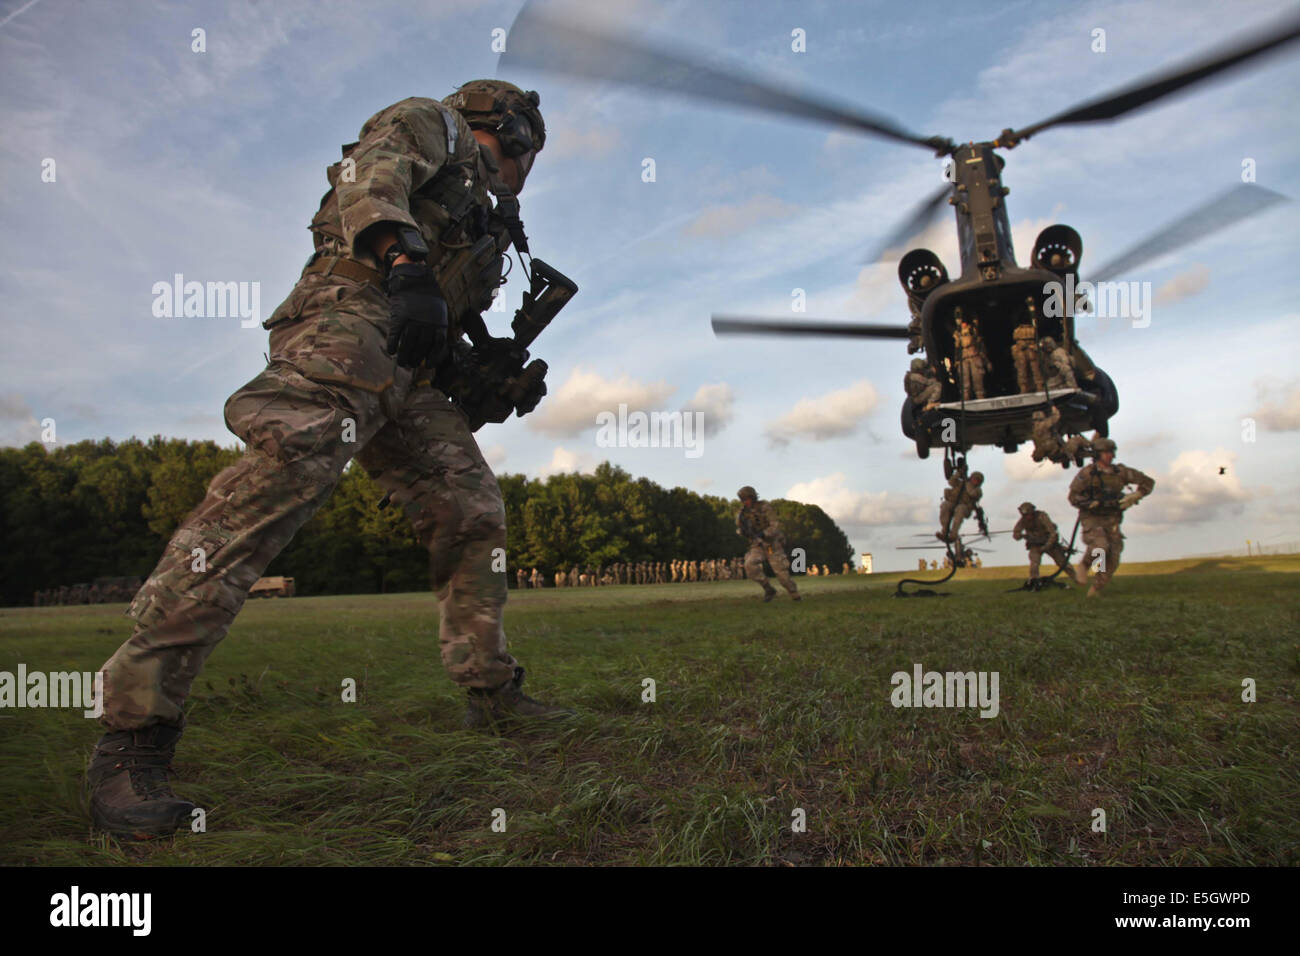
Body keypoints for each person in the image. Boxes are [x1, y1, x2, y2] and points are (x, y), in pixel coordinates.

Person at [88, 80, 569, 841]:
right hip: (349, 325)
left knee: (469, 509)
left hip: (407, 370)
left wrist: (489, 375)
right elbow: (368, 179)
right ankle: (132, 736)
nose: (530, 165)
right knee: (275, 484)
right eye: (528, 147)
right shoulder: (431, 124)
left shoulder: (490, 224)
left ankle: (491, 692)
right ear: (508, 131)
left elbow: (436, 337)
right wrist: (407, 266)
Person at [1067, 438, 1155, 597]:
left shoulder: (1120, 472)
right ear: (1097, 454)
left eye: (1111, 452)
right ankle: (1085, 565)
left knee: (1113, 558)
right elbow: (1073, 497)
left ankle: (1096, 588)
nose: (1110, 456)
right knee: (1100, 546)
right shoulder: (1087, 473)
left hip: (1112, 519)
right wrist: (1089, 503)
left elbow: (1148, 482)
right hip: (1092, 519)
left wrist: (1136, 495)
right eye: (1105, 452)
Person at [735, 486, 800, 602]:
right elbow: (740, 528)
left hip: (772, 544)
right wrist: (743, 532)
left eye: (747, 499)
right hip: (757, 546)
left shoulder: (764, 507)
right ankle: (768, 589)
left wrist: (764, 534)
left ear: (753, 497)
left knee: (782, 575)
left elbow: (775, 525)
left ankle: (793, 593)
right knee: (749, 565)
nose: (745, 502)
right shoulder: (742, 514)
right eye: (743, 500)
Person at [1012, 501, 1071, 580]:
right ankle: (1034, 582)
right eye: (1024, 515)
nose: (1027, 517)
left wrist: (1046, 546)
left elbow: (1053, 533)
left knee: (1062, 563)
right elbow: (1016, 533)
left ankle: (1078, 579)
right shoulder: (1023, 520)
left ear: (1032, 512)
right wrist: (1018, 535)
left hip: (1050, 544)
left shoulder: (1042, 516)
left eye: (1028, 514)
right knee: (1034, 563)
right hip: (1035, 545)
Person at [937, 470, 983, 542]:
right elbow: (951, 482)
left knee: (960, 509)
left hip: (965, 508)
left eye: (978, 480)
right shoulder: (961, 483)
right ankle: (945, 531)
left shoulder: (978, 490)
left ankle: (953, 535)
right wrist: (958, 474)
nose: (975, 481)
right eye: (974, 478)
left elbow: (972, 493)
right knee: (945, 505)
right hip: (953, 503)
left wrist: (968, 484)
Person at [953, 312, 988, 400]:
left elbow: (980, 346)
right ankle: (966, 397)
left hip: (974, 357)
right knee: (965, 381)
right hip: (963, 359)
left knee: (978, 379)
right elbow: (956, 349)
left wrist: (986, 361)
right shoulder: (957, 334)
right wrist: (956, 360)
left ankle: (980, 396)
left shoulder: (973, 330)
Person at [1010, 320, 1044, 393]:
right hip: (1021, 351)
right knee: (1022, 370)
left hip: (1032, 350)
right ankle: (1023, 388)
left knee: (1036, 369)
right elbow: (1016, 340)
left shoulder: (1033, 329)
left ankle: (1039, 386)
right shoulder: (1017, 331)